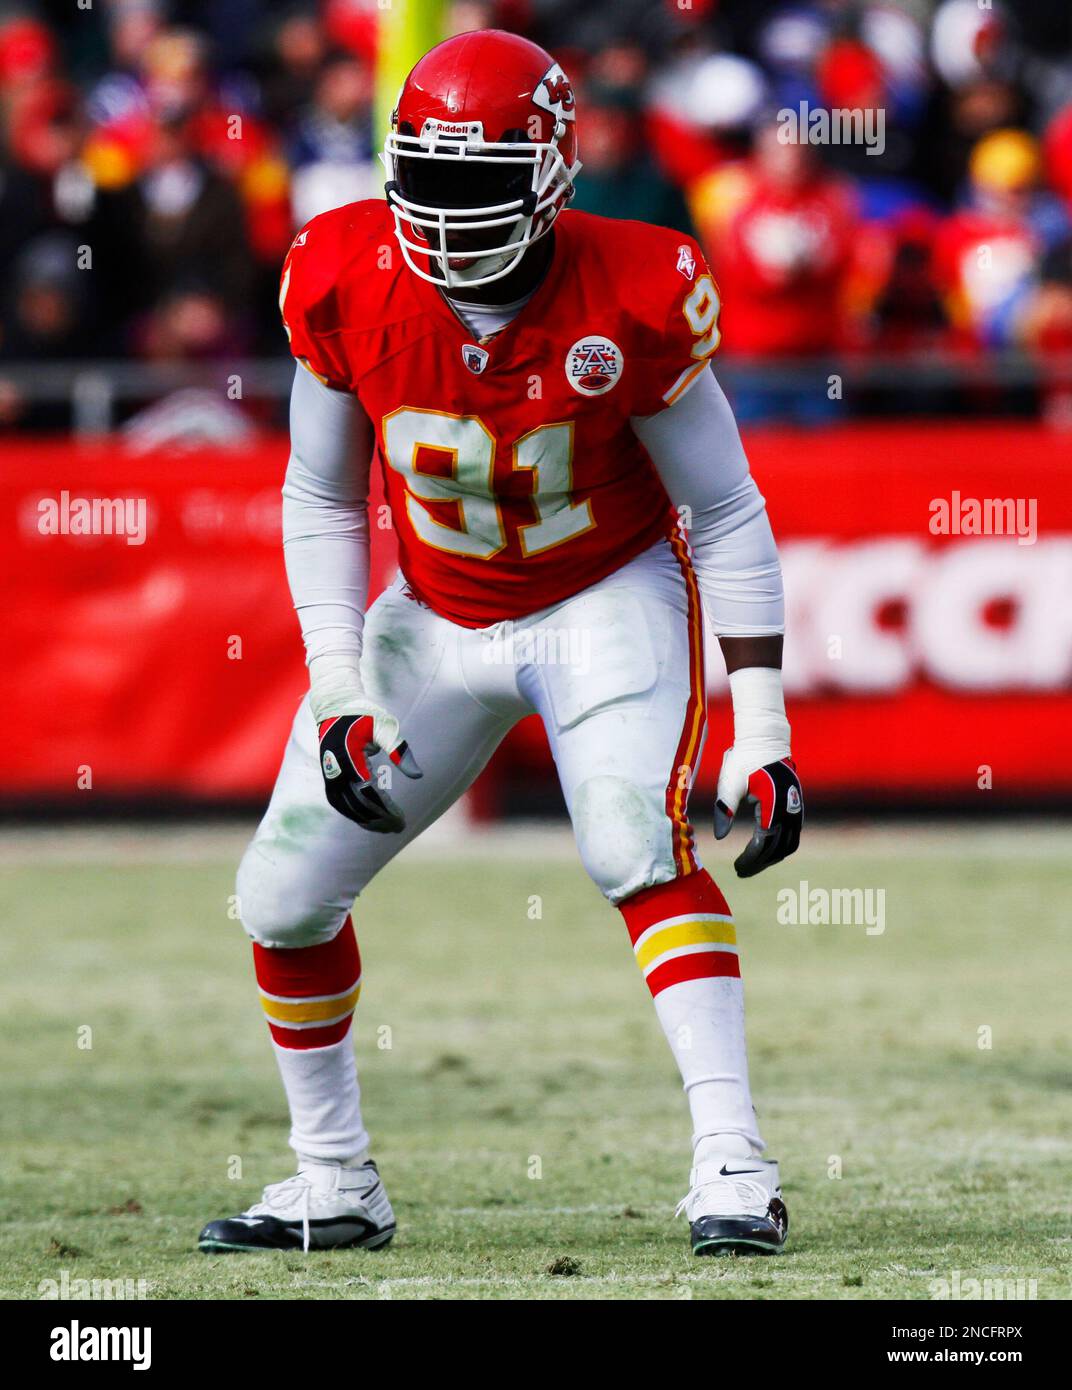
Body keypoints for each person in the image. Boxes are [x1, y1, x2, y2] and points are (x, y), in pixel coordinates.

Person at [198, 29, 803, 1259]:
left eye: (479, 185)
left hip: (600, 594)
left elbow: (726, 505)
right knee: (280, 895)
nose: (445, 216)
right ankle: (334, 1180)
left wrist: (765, 721)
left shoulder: (635, 284)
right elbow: (319, 498)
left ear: (554, 173)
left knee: (634, 843)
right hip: (434, 615)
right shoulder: (340, 270)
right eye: (426, 178)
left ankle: (734, 1162)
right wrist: (333, 690)